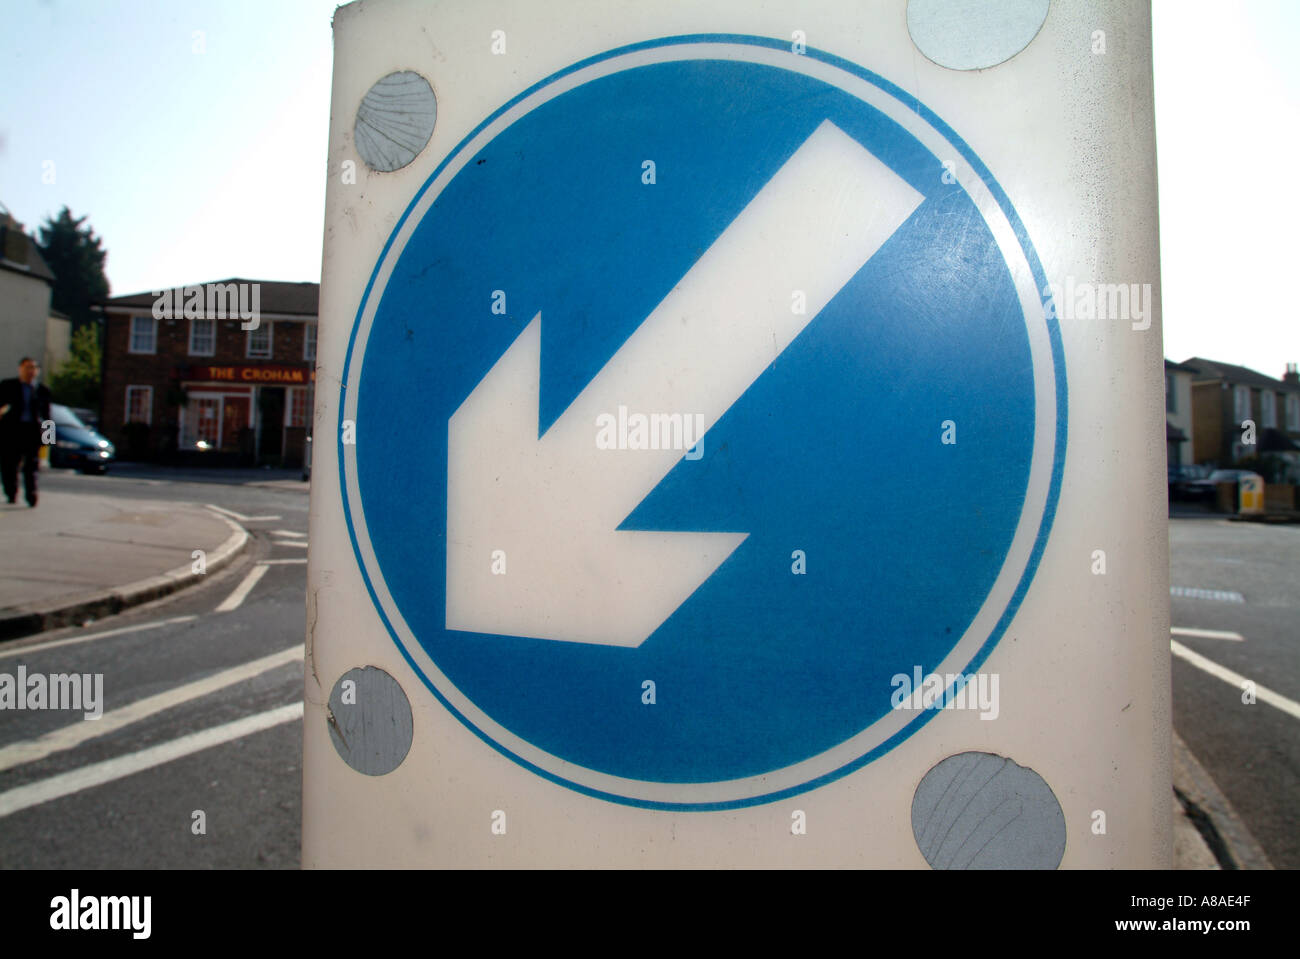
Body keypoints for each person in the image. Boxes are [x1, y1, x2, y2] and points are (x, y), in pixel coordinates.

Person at [0, 357, 53, 507]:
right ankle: (11, 493)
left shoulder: (43, 390)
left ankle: (31, 495)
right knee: (9, 465)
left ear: (37, 371)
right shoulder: (7, 386)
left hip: (32, 433)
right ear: (20, 369)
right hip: (11, 432)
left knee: (31, 466)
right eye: (27, 367)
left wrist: (48, 440)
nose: (30, 371)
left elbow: (48, 416)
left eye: (33, 368)